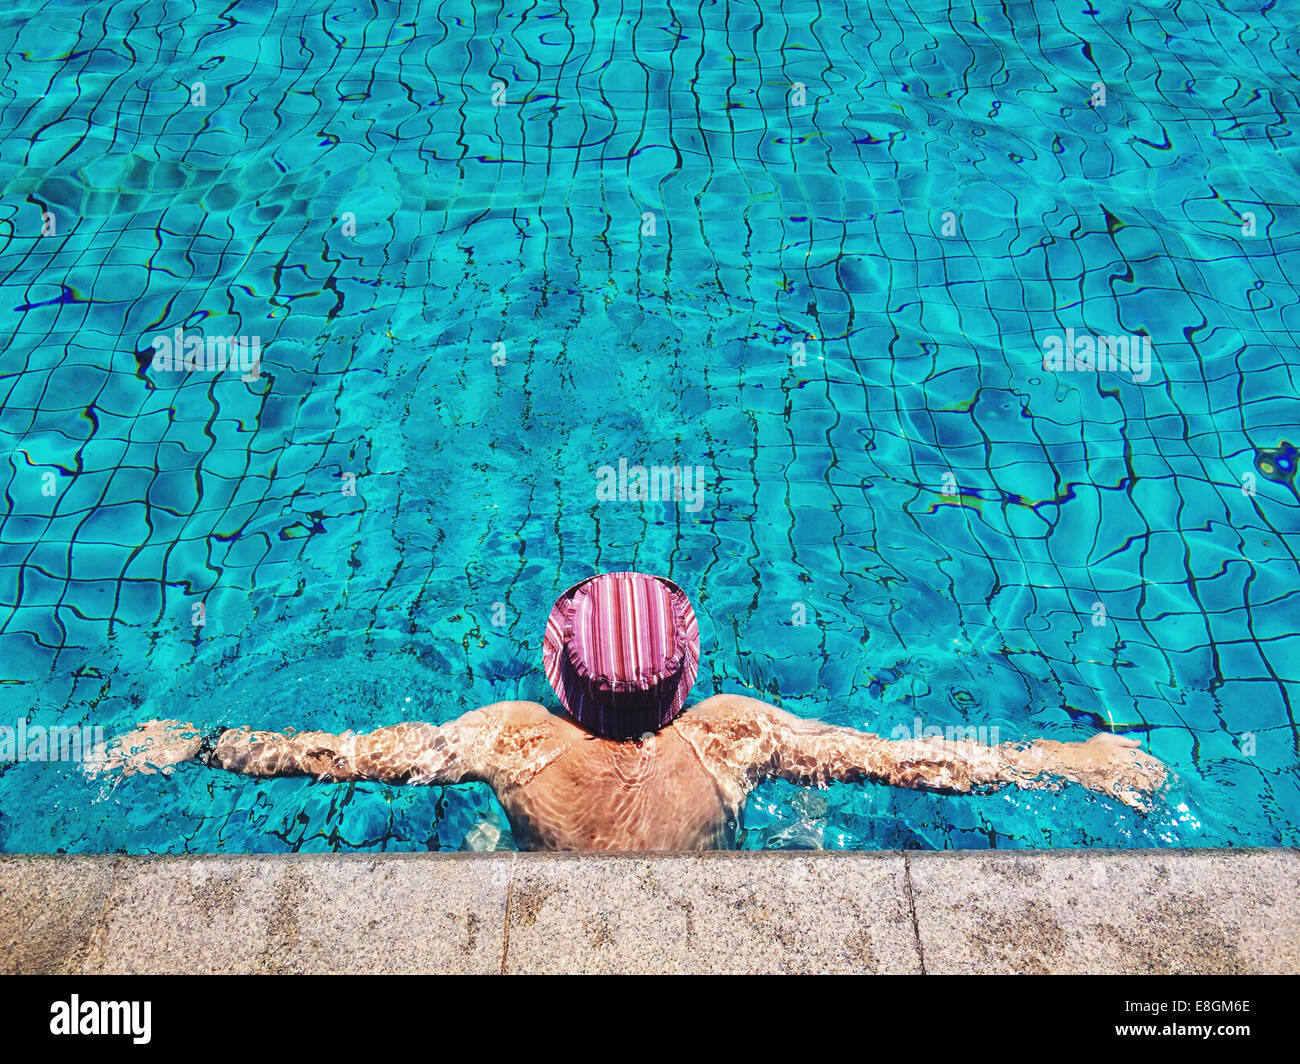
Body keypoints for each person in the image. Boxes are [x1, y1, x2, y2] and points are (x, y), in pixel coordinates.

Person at [90, 571, 1167, 851]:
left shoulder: (513, 736)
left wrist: (196, 744)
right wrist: (1071, 762)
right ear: (684, 677)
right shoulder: (730, 731)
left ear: (560, 679)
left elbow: (343, 758)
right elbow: (911, 763)